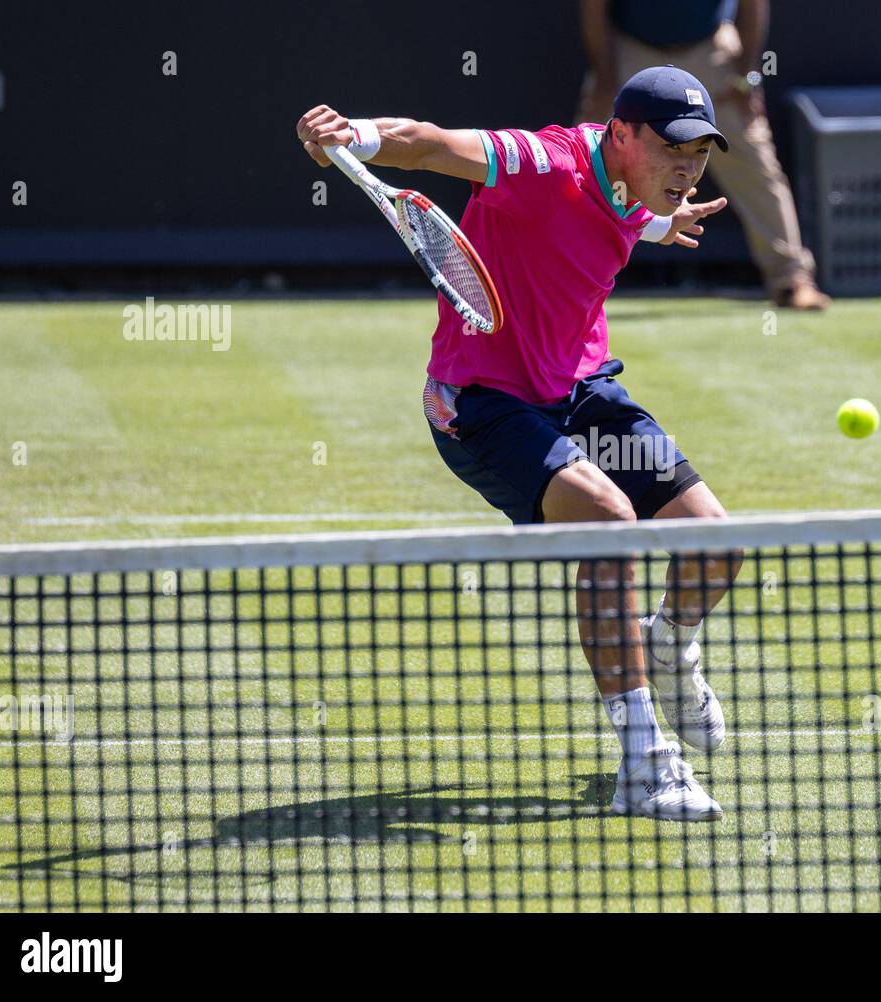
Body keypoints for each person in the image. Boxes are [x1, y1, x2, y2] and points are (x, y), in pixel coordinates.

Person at [296, 66, 744, 822]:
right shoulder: (544, 161)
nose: (688, 166)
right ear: (622, 133)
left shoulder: (638, 190)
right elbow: (431, 146)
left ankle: (669, 648)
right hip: (483, 405)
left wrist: (667, 218)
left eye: (700, 151)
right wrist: (356, 138)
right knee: (608, 524)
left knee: (715, 542)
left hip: (580, 391)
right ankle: (643, 762)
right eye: (674, 149)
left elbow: (628, 214)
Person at [579, 0, 830, 309]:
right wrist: (605, 74)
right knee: (586, 164)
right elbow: (594, 7)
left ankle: (791, 279)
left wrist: (746, 74)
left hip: (710, 50)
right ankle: (568, 276)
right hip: (631, 51)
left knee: (755, 163)